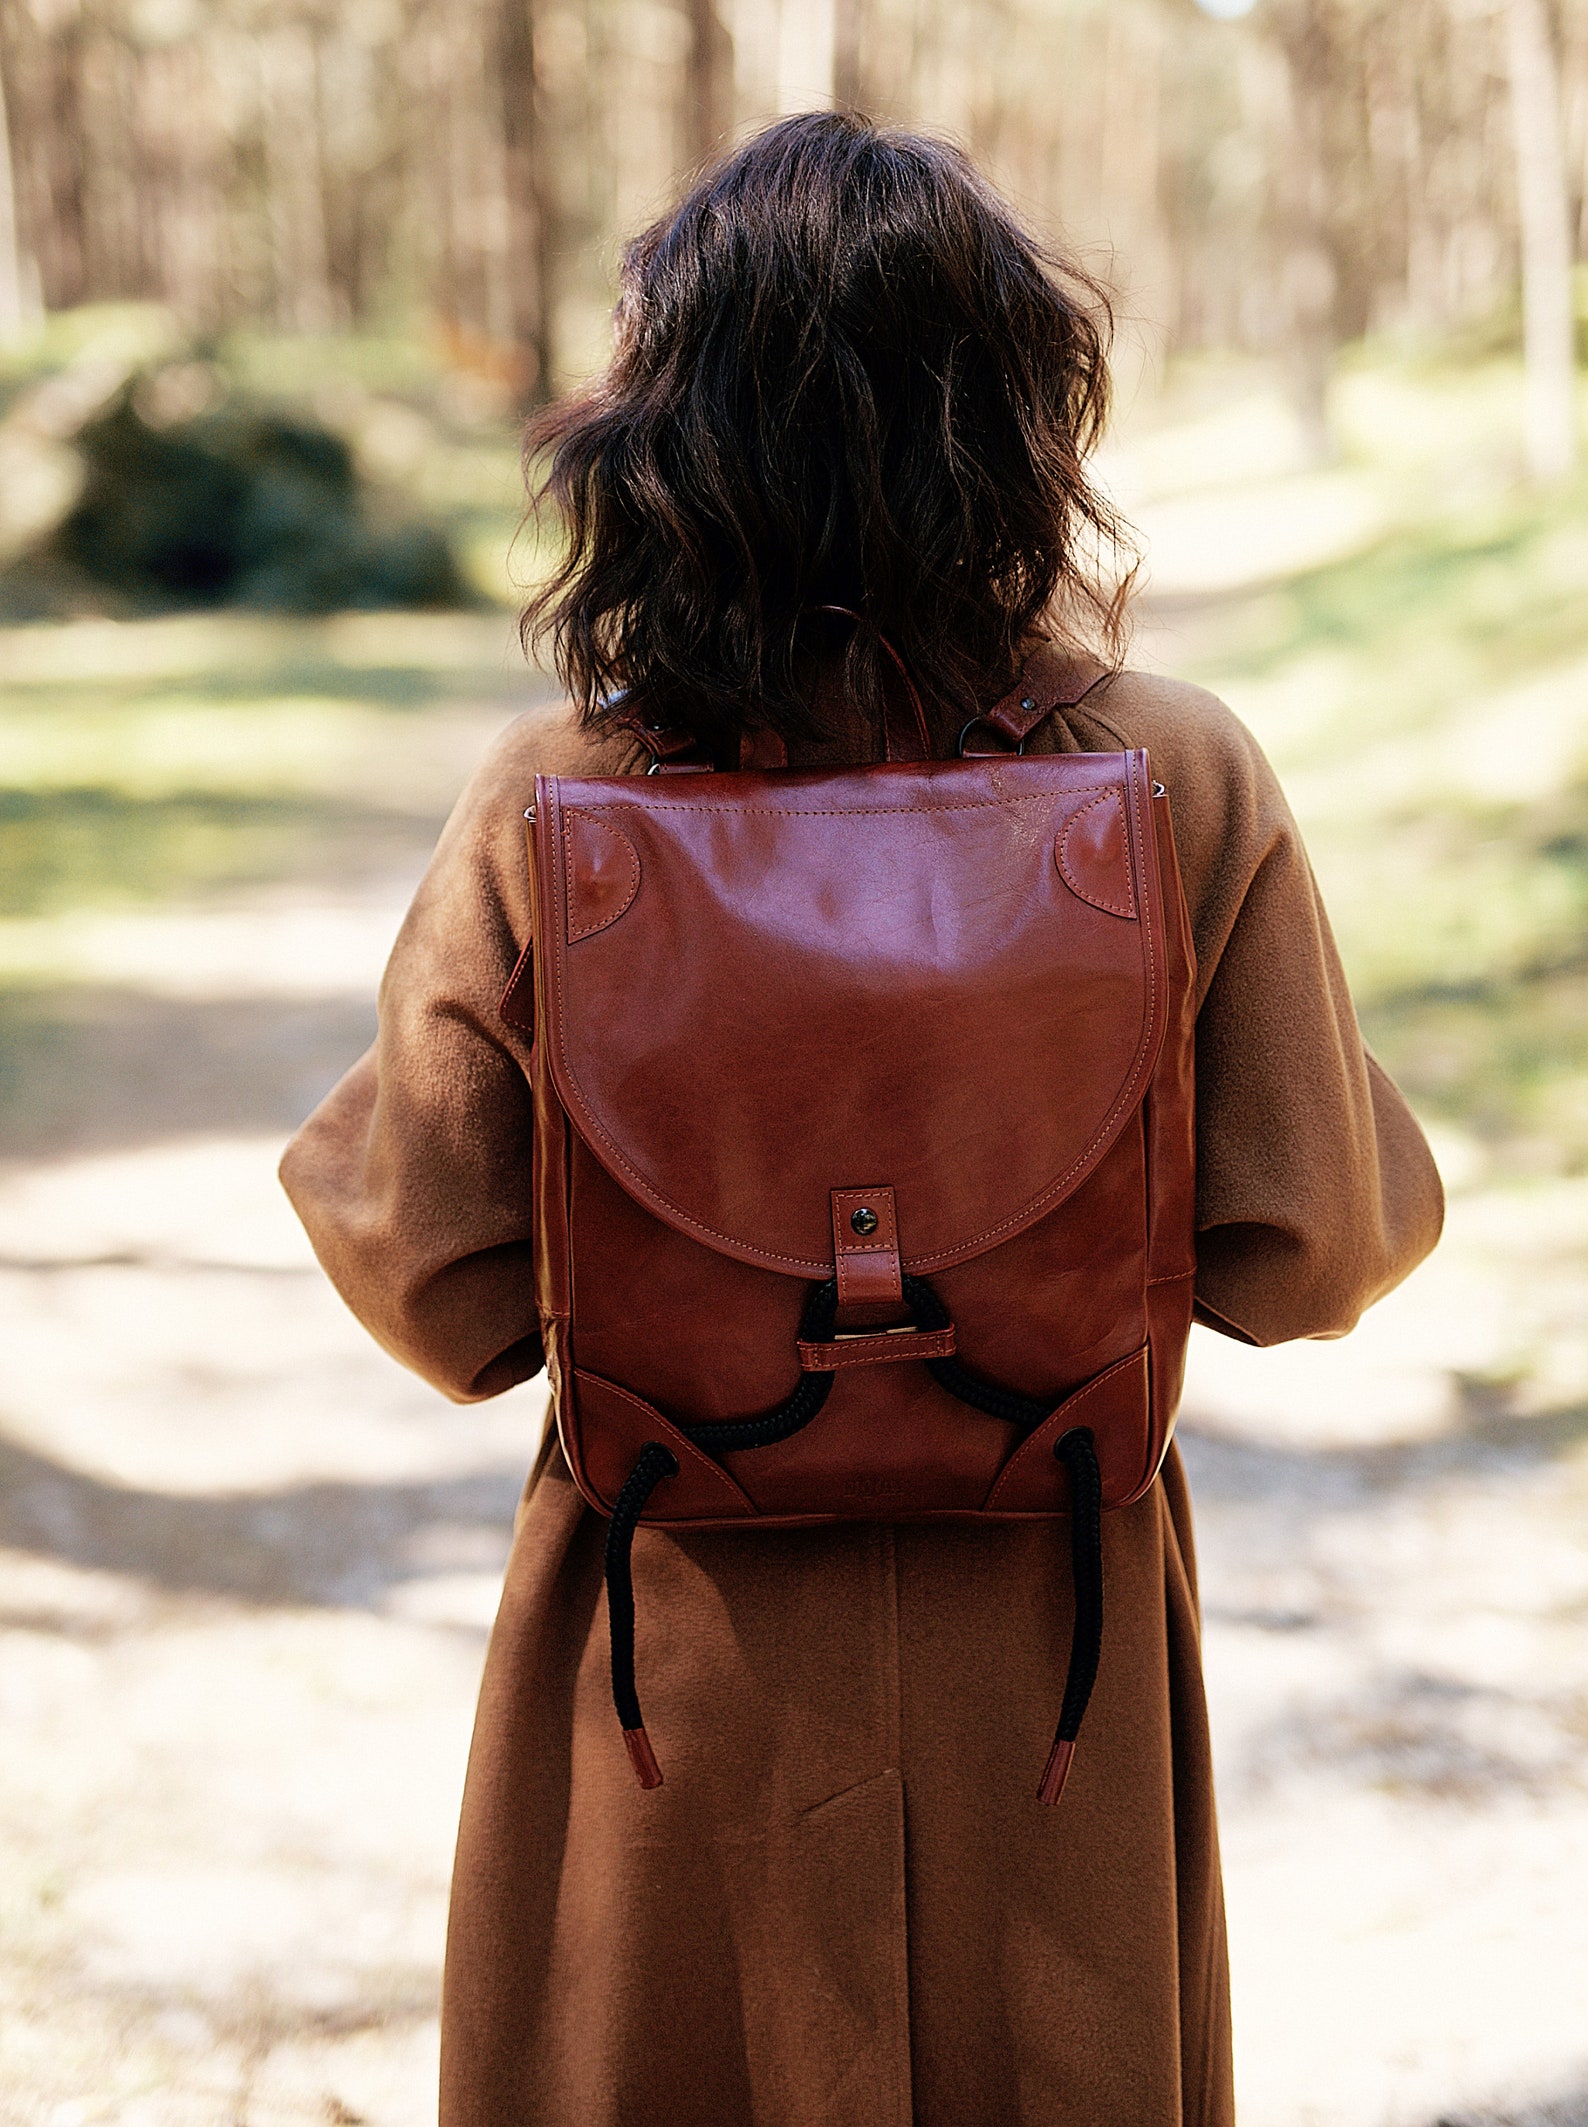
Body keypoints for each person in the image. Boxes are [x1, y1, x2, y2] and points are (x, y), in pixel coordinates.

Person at [281, 113, 1443, 2127]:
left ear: (659, 438)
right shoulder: (1170, 771)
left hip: (677, 1648)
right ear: (1014, 420)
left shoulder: (553, 793)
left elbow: (435, 1279)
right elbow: (1310, 1250)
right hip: (1043, 1659)